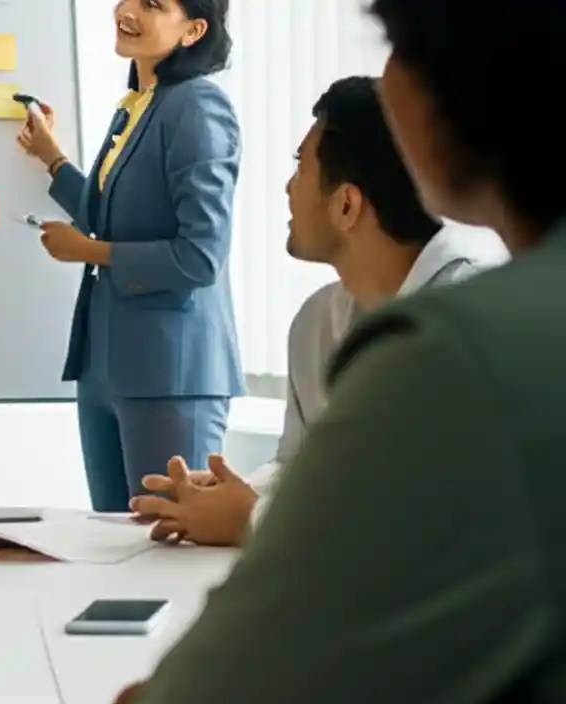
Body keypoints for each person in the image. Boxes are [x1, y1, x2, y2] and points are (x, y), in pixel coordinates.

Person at [104, 0, 566, 704]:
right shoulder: (332, 322)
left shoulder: (453, 352)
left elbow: (221, 690)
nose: (287, 187)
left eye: (395, 47)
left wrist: (254, 520)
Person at [130, 76, 508, 547]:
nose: (288, 187)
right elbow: (299, 465)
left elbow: (444, 517)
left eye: (300, 166)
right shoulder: (315, 325)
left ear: (347, 204)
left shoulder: (477, 321)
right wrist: (237, 495)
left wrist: (254, 520)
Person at [17, 0, 244, 512]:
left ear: (193, 30)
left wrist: (87, 251)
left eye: (153, 4)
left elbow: (200, 256)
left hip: (170, 370)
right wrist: (53, 160)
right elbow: (113, 213)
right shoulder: (140, 104)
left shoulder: (197, 106)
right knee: (111, 546)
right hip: (105, 366)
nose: (127, 9)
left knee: (164, 548)